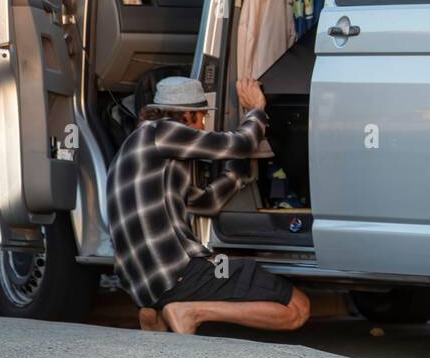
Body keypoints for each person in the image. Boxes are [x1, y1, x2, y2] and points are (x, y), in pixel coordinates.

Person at [106, 75, 310, 334]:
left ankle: (158, 314)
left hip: (141, 282)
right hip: (175, 272)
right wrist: (257, 109)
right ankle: (189, 310)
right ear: (188, 115)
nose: (203, 125)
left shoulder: (137, 145)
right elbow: (241, 143)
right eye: (202, 117)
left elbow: (204, 203)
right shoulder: (165, 131)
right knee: (297, 308)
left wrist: (235, 176)